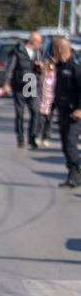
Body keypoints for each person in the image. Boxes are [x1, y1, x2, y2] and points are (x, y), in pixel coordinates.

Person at [3, 32, 44, 150]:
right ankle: (20, 137)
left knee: (35, 111)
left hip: (32, 85)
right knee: (20, 114)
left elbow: (40, 68)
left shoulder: (38, 53)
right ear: (33, 41)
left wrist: (40, 67)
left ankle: (32, 137)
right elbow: (10, 68)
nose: (40, 44)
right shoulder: (18, 51)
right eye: (39, 42)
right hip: (19, 85)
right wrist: (7, 83)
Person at [51, 38, 81, 187]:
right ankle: (72, 174)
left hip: (74, 113)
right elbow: (58, 90)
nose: (52, 52)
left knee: (70, 143)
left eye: (54, 49)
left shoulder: (75, 67)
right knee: (64, 145)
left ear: (60, 49)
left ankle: (76, 173)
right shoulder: (60, 66)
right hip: (62, 112)